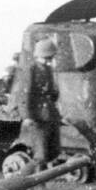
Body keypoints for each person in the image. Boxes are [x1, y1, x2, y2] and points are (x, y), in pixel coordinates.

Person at [22, 38, 61, 169]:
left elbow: (53, 94)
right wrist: (27, 116)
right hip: (37, 117)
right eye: (48, 57)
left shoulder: (48, 70)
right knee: (41, 155)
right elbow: (26, 94)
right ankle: (33, 185)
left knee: (53, 152)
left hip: (49, 115)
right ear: (40, 55)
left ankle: (34, 183)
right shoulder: (31, 70)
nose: (49, 60)